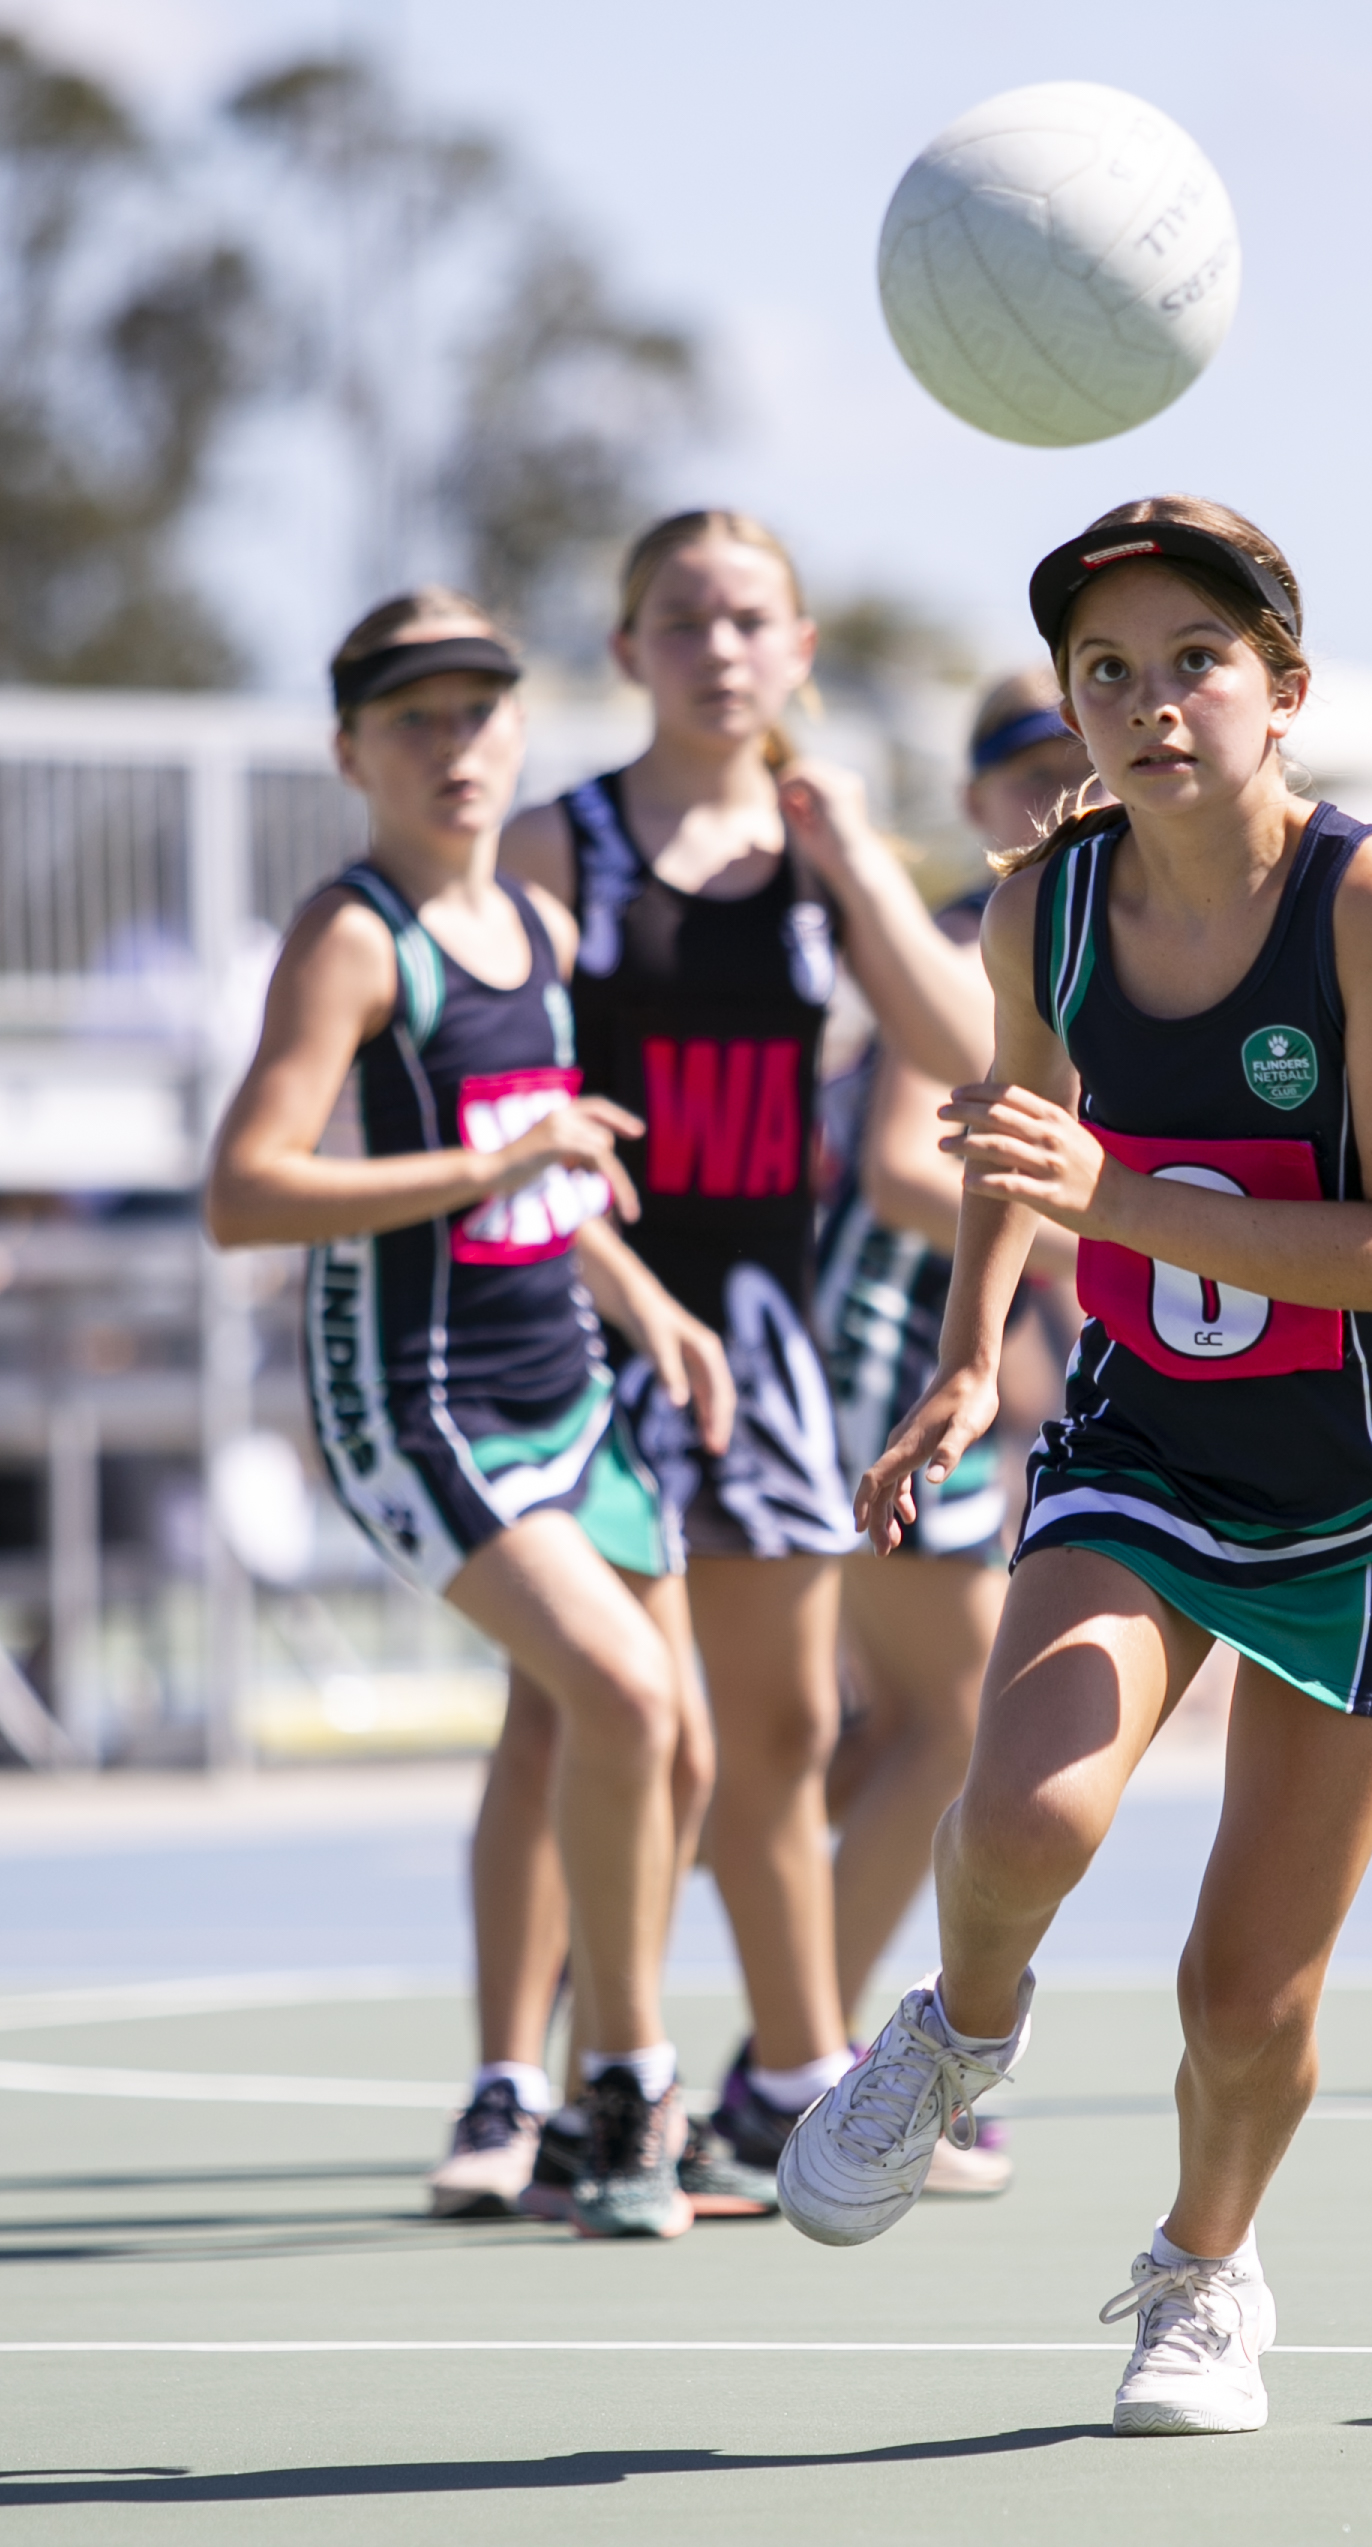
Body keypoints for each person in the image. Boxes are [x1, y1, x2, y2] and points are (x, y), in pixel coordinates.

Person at [778, 495, 1372, 2439]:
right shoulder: (1046, 908)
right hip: (1144, 1439)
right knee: (1020, 1814)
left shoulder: (1371, 904)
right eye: (1109, 670)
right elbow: (1019, 1130)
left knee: (1242, 1991)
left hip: (1369, 1473)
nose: (1151, 698)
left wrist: (1129, 1196)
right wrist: (955, 1362)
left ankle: (1203, 2269)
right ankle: (955, 2030)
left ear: (1284, 690)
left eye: (1196, 659)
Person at [205, 587, 731, 2240]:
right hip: (416, 1403)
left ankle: (517, 2084)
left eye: (480, 712)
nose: (456, 746)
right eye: (415, 719)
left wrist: (648, 1305)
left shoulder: (539, 927)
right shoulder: (357, 935)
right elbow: (245, 1192)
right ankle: (623, 2085)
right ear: (352, 750)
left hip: (565, 1389)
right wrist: (495, 1164)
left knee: (637, 1738)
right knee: (624, 1703)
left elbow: (551, 1183)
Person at [498, 509, 989, 2200]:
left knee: (778, 1732)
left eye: (748, 618)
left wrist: (855, 858)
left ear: (794, 650)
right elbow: (511, 1097)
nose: (716, 646)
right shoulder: (566, 848)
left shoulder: (815, 850)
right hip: (598, 1313)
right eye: (680, 618)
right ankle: (586, 2091)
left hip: (764, 1341)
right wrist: (624, 1289)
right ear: (627, 650)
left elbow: (972, 1054)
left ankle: (789, 2080)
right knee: (618, 1722)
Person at [815, 666, 1088, 2196]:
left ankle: (795, 2028)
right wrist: (1086, 1247)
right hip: (885, 1357)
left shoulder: (1096, 935)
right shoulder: (965, 938)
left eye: (1075, 758)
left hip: (941, 1364)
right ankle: (807, 2056)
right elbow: (903, 1167)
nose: (1058, 789)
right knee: (939, 1730)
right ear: (974, 800)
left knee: (895, 1732)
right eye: (1023, 768)